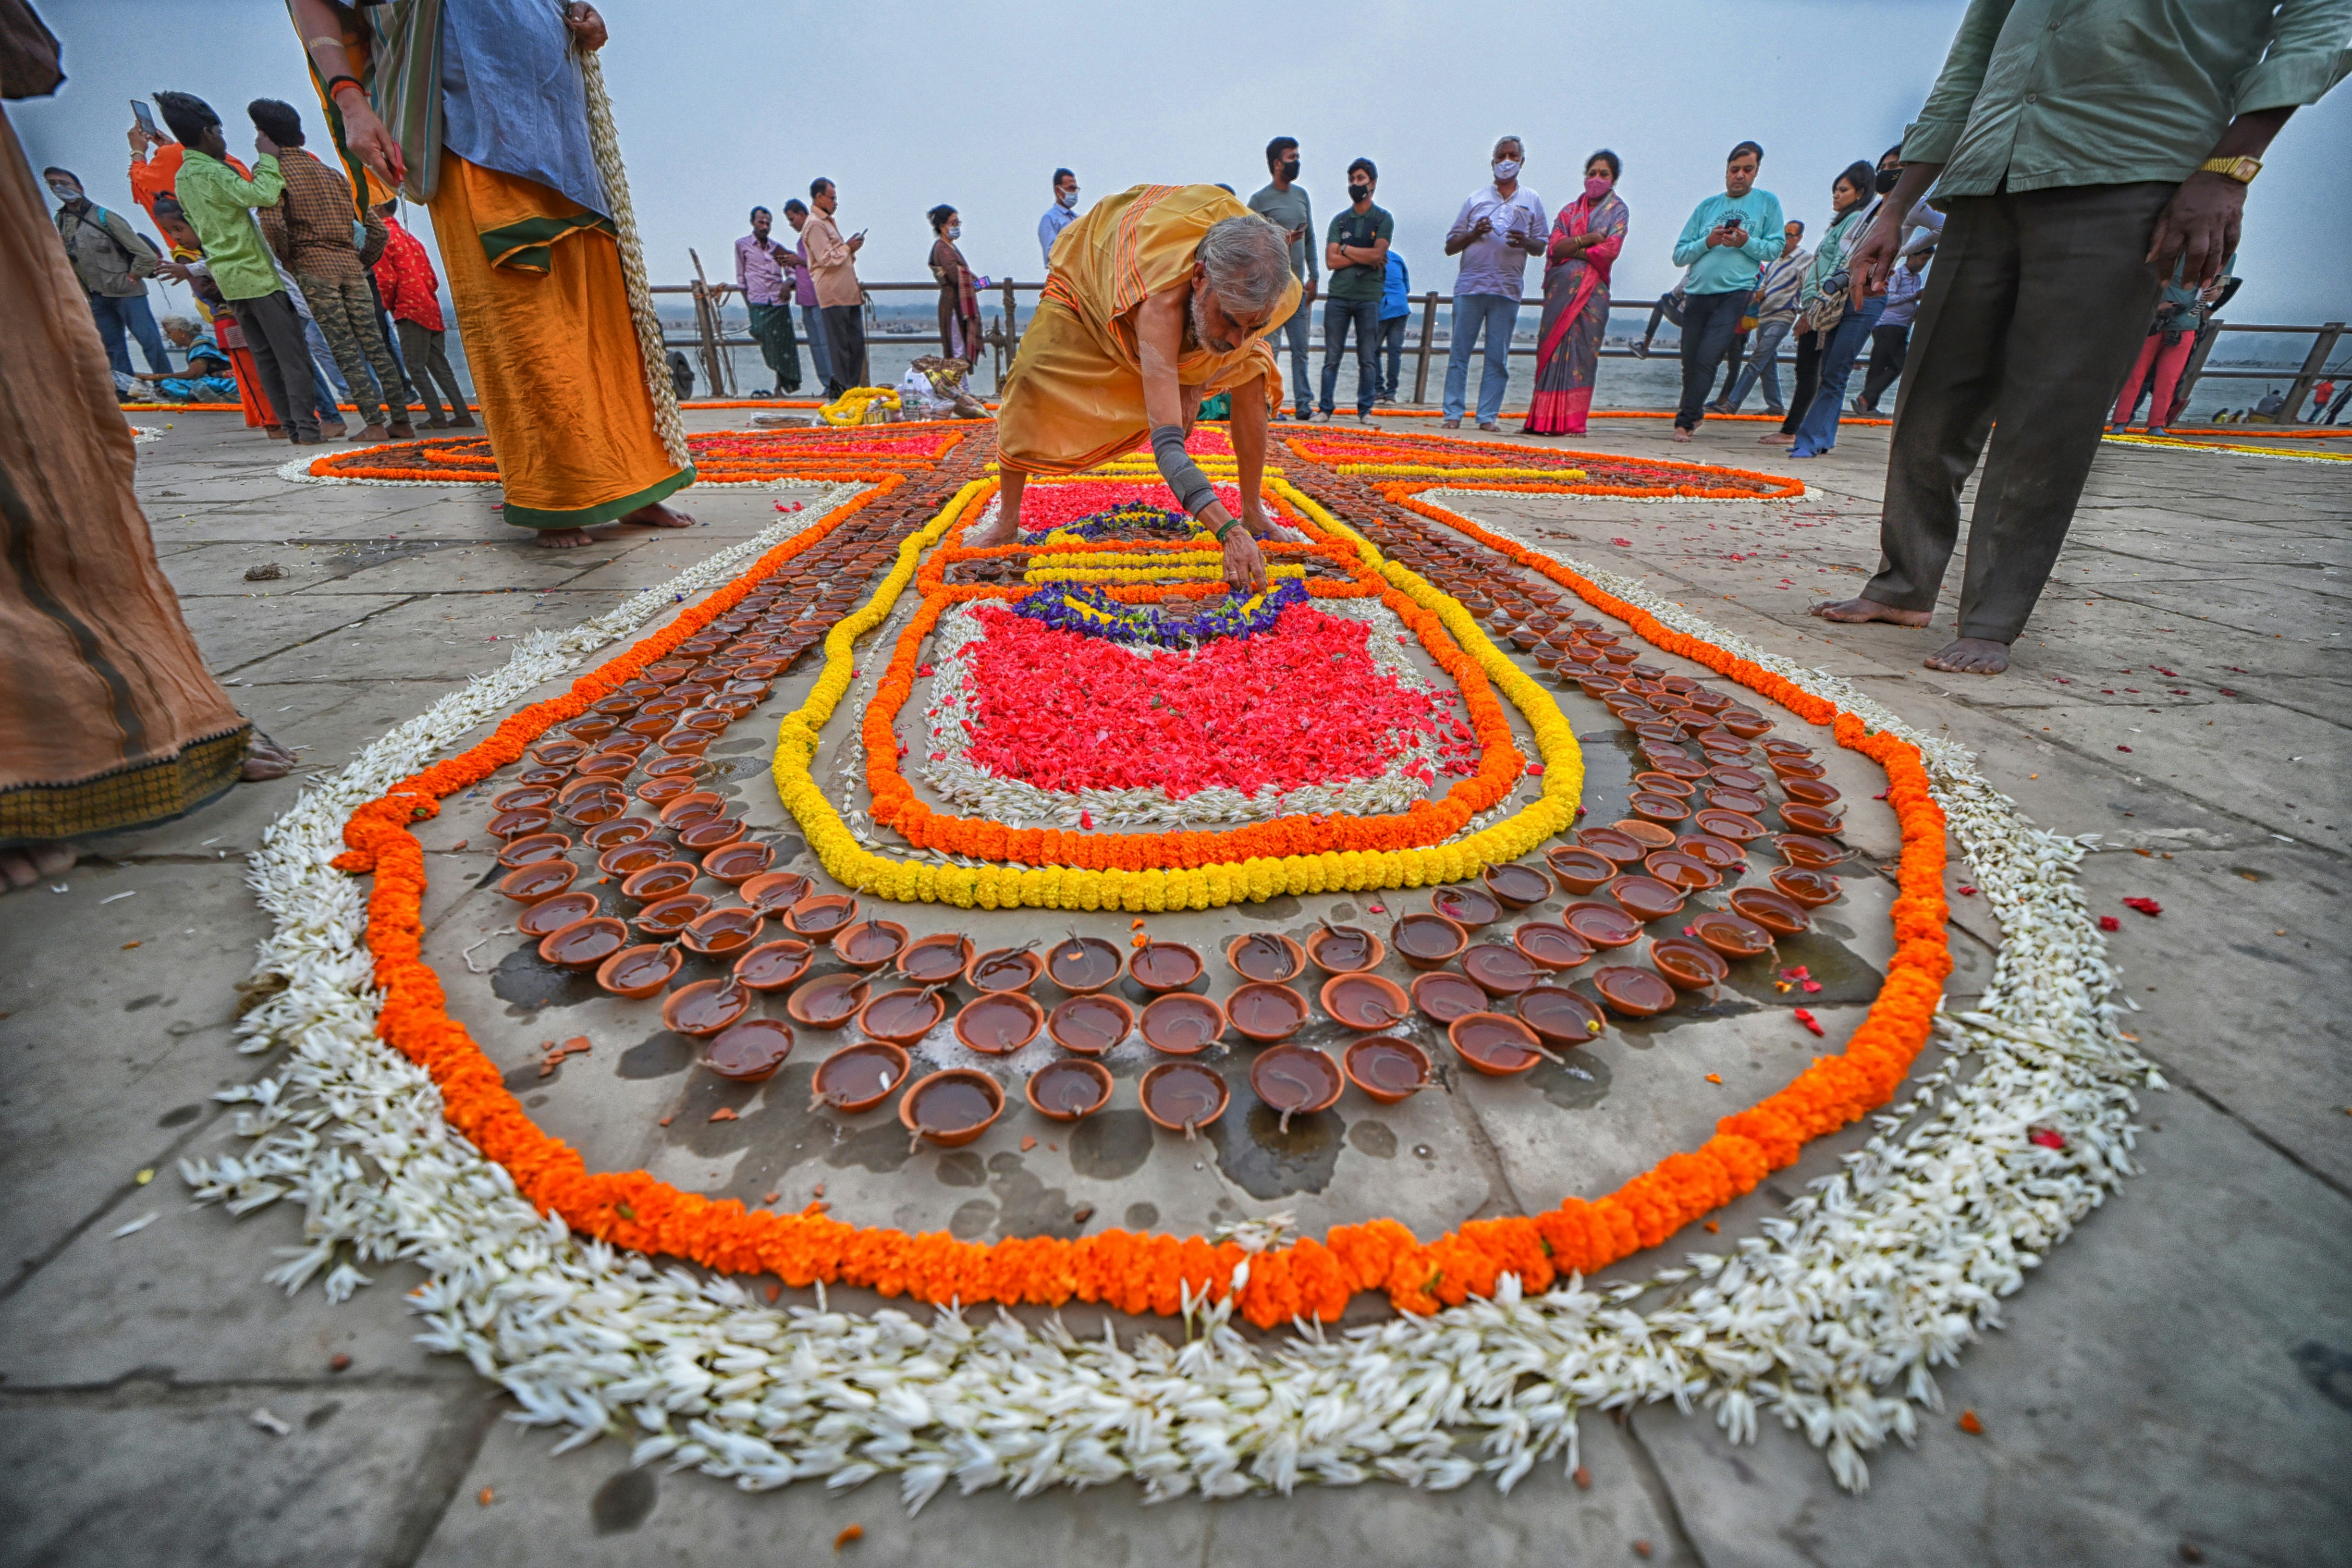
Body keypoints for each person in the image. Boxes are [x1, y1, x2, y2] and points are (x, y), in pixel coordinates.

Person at [1815, 0, 2348, 677]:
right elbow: (1970, 64)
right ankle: (1903, 585)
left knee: (2049, 410)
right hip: (1986, 175)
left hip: (2130, 167)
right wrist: (1894, 206)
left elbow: (2324, 21)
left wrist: (2229, 167)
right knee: (1932, 397)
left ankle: (1991, 618)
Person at [2, 23, 293, 891]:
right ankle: (60, 747)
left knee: (38, 465)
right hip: (242, 277)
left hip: (207, 279)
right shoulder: (207, 176)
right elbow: (31, 60)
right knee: (36, 465)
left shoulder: (140, 193)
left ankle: (92, 730)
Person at [287, 0, 696, 548]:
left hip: (562, 129)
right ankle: (556, 499)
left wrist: (579, 13)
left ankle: (634, 483)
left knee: (603, 322)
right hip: (470, 126)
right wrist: (351, 99)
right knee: (525, 321)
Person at [965, 184, 1300, 598]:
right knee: (1029, 379)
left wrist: (1199, 380)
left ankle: (1255, 511)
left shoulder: (1257, 284)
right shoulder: (1159, 305)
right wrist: (1226, 532)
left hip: (1185, 289)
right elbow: (1169, 447)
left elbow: (1237, 336)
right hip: (1087, 290)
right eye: (1230, 321)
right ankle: (1006, 521)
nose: (1238, 338)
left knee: (1253, 368)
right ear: (1198, 277)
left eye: (1254, 325)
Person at [154, 91, 325, 444]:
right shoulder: (214, 172)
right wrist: (267, 160)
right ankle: (307, 430)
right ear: (208, 133)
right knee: (292, 358)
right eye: (220, 132)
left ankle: (292, 429)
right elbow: (261, 194)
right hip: (257, 277)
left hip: (230, 281)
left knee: (266, 359)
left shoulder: (184, 177)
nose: (223, 139)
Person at [246, 98, 409, 443]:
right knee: (377, 346)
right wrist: (360, 260)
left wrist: (290, 259)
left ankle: (375, 424)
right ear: (300, 136)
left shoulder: (271, 173)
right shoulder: (332, 175)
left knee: (345, 349)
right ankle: (402, 420)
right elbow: (376, 231)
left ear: (265, 137)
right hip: (351, 267)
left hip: (314, 266)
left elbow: (273, 225)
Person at [1667, 140, 1783, 440]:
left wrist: (1746, 242)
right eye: (1734, 170)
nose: (1740, 175)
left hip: (1734, 294)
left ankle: (1685, 422)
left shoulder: (1767, 203)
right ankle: (1694, 413)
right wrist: (1709, 242)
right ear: (1727, 171)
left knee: (1708, 358)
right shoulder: (1708, 207)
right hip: (1698, 292)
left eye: (1748, 169)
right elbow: (1679, 255)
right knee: (1690, 360)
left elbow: (1775, 248)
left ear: (1757, 171)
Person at [1783, 162, 1889, 458]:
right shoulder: (1864, 215)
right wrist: (1820, 298)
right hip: (1838, 298)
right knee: (1830, 368)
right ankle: (1820, 437)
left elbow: (1937, 227)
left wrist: (1896, 256)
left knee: (1835, 370)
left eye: (1843, 190)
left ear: (1861, 191)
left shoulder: (1902, 210)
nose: (1836, 195)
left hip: (1865, 298)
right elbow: (1836, 258)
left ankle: (1810, 439)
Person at [1442, 136, 1546, 431]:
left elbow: (1541, 246)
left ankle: (1487, 417)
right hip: (1471, 287)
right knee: (1459, 353)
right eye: (1502, 156)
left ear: (1522, 162)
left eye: (1513, 156)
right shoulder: (1475, 200)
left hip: (1507, 289)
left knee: (1497, 358)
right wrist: (1475, 233)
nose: (1506, 161)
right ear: (1493, 162)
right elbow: (1450, 246)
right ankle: (1452, 413)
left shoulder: (1532, 200)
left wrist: (1525, 241)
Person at [1524, 150, 1628, 436]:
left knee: (1582, 355)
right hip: (1559, 295)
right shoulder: (1568, 211)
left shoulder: (1618, 211)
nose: (1596, 179)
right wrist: (1589, 240)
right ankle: (1541, 421)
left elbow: (1610, 250)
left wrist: (1575, 248)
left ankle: (1571, 422)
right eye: (1592, 173)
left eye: (1603, 174)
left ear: (1614, 179)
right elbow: (1555, 248)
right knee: (1551, 352)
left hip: (1592, 295)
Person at [43, 165, 169, 386]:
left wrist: (133, 276)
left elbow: (145, 255)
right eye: (53, 184)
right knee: (112, 347)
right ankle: (129, 390)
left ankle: (168, 384)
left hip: (127, 292)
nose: (59, 188)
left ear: (80, 187)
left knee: (150, 341)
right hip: (97, 295)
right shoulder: (62, 221)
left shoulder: (104, 217)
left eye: (64, 183)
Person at [371, 199, 471, 427]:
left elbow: (386, 279)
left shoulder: (381, 237)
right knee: (438, 363)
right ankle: (462, 413)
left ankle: (437, 416)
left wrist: (387, 306)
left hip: (409, 308)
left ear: (377, 207)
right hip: (430, 306)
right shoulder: (409, 237)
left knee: (415, 366)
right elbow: (432, 277)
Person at [2111, 252, 2231, 436]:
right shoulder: (2173, 248)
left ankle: (2157, 424)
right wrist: (2156, 306)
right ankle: (2121, 421)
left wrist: (2214, 294)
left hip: (2187, 325)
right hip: (2155, 322)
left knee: (2169, 379)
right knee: (2136, 374)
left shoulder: (2226, 256)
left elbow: (2219, 292)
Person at [1316, 157, 1391, 423]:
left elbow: (1379, 254)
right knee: (1332, 357)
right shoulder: (1339, 221)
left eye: (1360, 179)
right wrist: (1363, 255)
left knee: (1367, 357)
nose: (1355, 185)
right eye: (1352, 180)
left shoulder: (1383, 219)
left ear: (1372, 183)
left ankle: (1366, 410)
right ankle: (1325, 408)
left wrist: (1346, 249)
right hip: (1339, 295)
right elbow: (1331, 261)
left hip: (1368, 297)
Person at [1247, 137, 1316, 421]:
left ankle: (1304, 405)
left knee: (1301, 349)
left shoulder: (1302, 196)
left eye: (1298, 156)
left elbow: (1310, 238)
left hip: (1298, 287)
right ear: (1277, 164)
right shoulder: (1259, 201)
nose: (1296, 162)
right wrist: (1281, 239)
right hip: (1272, 289)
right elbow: (1251, 242)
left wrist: (1315, 275)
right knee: (1269, 349)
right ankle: (1269, 405)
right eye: (1291, 157)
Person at [1718, 219, 1808, 414]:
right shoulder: (1775, 260)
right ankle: (1775, 406)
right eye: (1784, 234)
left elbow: (1808, 287)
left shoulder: (1805, 260)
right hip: (1765, 316)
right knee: (1767, 362)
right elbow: (1764, 284)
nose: (1786, 239)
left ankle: (1732, 403)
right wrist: (1760, 293)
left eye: (1790, 235)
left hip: (1783, 315)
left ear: (1799, 238)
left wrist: (1806, 314)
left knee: (1757, 359)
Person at [803, 177, 868, 397]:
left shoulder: (828, 222)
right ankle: (843, 391)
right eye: (832, 198)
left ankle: (852, 389)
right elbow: (826, 259)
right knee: (840, 347)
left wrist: (849, 249)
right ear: (819, 197)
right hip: (832, 293)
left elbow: (838, 255)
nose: (835, 203)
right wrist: (847, 248)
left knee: (855, 345)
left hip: (848, 292)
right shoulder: (814, 224)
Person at [732, 204, 802, 396]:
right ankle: (775, 372)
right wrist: (747, 299)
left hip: (778, 301)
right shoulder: (743, 245)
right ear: (753, 223)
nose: (764, 226)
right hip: (757, 300)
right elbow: (741, 276)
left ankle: (780, 386)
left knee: (783, 345)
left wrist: (789, 283)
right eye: (761, 222)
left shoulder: (776, 248)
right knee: (759, 331)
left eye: (768, 223)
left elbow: (791, 269)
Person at [1855, 246, 1930, 414]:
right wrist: (1914, 296)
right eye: (1923, 259)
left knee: (1879, 365)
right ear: (1912, 256)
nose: (1924, 264)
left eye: (1927, 260)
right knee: (1898, 364)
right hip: (1889, 325)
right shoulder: (1897, 275)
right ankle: (1867, 397)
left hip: (1902, 326)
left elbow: (1909, 303)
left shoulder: (1916, 279)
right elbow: (1888, 298)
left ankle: (1867, 405)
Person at [127, 313, 239, 400]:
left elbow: (194, 374)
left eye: (169, 333)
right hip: (225, 381)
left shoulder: (200, 346)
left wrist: (153, 377)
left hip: (229, 382)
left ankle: (197, 395)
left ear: (181, 332)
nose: (169, 337)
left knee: (169, 383)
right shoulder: (201, 342)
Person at [781, 198, 831, 393]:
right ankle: (826, 382)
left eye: (792, 219)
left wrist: (800, 261)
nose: (791, 224)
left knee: (825, 343)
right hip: (806, 298)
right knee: (816, 344)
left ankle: (833, 382)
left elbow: (823, 260)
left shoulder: (815, 231)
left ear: (802, 215)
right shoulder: (802, 238)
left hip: (819, 296)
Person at [927, 204, 984, 365]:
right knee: (957, 349)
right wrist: (973, 281)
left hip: (960, 302)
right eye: (953, 223)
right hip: (952, 304)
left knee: (961, 347)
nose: (957, 227)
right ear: (942, 226)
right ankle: (958, 387)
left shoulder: (950, 247)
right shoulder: (941, 249)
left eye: (958, 223)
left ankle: (961, 385)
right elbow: (955, 275)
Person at [1377, 246, 1410, 401]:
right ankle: (1391, 393)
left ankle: (1377, 389)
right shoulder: (1397, 258)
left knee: (1372, 350)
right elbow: (1407, 287)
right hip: (1401, 307)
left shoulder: (1371, 259)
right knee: (1395, 352)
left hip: (1382, 308)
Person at [1038, 167, 1079, 272]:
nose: (1074, 193)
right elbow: (1051, 255)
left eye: (1075, 189)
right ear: (1058, 190)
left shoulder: (1077, 219)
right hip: (1062, 278)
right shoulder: (1049, 219)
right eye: (1071, 188)